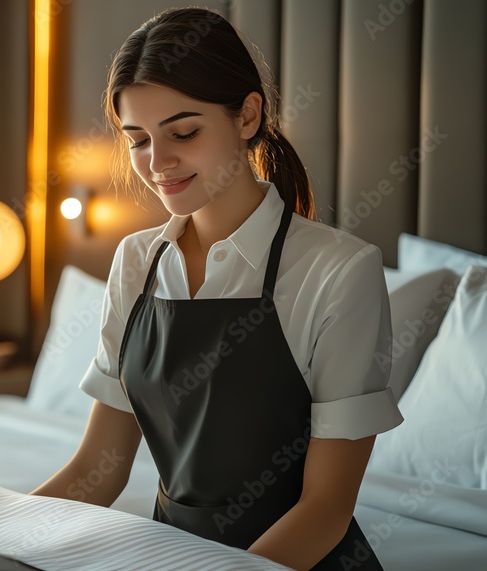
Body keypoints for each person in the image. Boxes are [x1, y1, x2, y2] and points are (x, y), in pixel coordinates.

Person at [29, 7, 403, 571]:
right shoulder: (135, 261)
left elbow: (325, 509)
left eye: (184, 132)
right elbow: (95, 472)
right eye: (138, 140)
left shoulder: (339, 271)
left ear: (248, 114)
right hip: (171, 558)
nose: (159, 163)